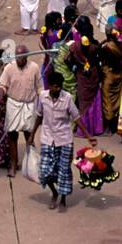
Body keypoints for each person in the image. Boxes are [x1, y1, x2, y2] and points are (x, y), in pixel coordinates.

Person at [34, 69, 81, 211]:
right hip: (47, 139)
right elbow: (39, 116)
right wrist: (31, 135)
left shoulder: (67, 98)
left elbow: (76, 118)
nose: (58, 88)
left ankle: (63, 199)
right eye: (55, 86)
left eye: (60, 86)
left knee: (63, 170)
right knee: (45, 171)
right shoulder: (42, 97)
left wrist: (89, 136)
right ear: (50, 86)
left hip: (64, 140)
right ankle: (54, 193)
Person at [1, 45, 42, 177]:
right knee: (12, 135)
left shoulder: (34, 67)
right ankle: (13, 164)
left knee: (29, 135)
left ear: (26, 56)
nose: (19, 60)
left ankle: (33, 164)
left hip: (29, 104)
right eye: (17, 58)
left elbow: (40, 87)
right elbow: (2, 84)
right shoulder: (9, 68)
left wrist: (43, 100)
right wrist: (1, 92)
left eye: (22, 58)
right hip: (13, 103)